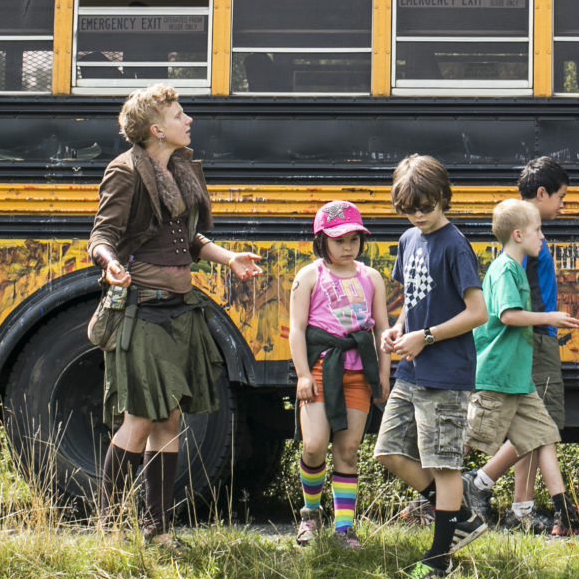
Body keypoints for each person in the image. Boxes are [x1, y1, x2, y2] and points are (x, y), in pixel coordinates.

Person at [88, 84, 263, 549]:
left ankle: (158, 531)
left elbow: (189, 241)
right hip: (143, 312)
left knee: (168, 423)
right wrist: (111, 263)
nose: (189, 121)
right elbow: (101, 236)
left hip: (179, 312)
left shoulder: (180, 169)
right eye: (180, 114)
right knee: (141, 420)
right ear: (156, 129)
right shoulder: (124, 172)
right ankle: (108, 529)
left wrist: (228, 259)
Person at [374, 155, 489, 579]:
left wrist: (427, 336)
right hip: (412, 368)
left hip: (446, 371)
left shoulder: (455, 244)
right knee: (388, 451)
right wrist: (398, 331)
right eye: (409, 209)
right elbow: (412, 302)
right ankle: (461, 516)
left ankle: (438, 562)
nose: (418, 216)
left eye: (426, 207)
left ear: (443, 198)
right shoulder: (409, 240)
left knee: (444, 466)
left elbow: (478, 312)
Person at [464, 157, 577, 535]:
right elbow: (510, 311)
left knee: (534, 427)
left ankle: (520, 507)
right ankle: (479, 485)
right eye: (560, 196)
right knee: (539, 426)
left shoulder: (524, 233)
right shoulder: (523, 245)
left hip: (534, 340)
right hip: (532, 343)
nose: (563, 205)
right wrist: (550, 319)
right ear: (541, 194)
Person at [287, 200, 390, 549]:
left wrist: (383, 376)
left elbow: (381, 332)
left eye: (354, 239)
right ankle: (310, 515)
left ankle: (344, 528)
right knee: (314, 446)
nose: (347, 247)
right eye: (338, 240)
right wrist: (303, 374)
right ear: (322, 242)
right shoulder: (309, 276)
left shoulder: (371, 277)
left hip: (359, 373)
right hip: (320, 369)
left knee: (348, 451)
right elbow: (297, 329)